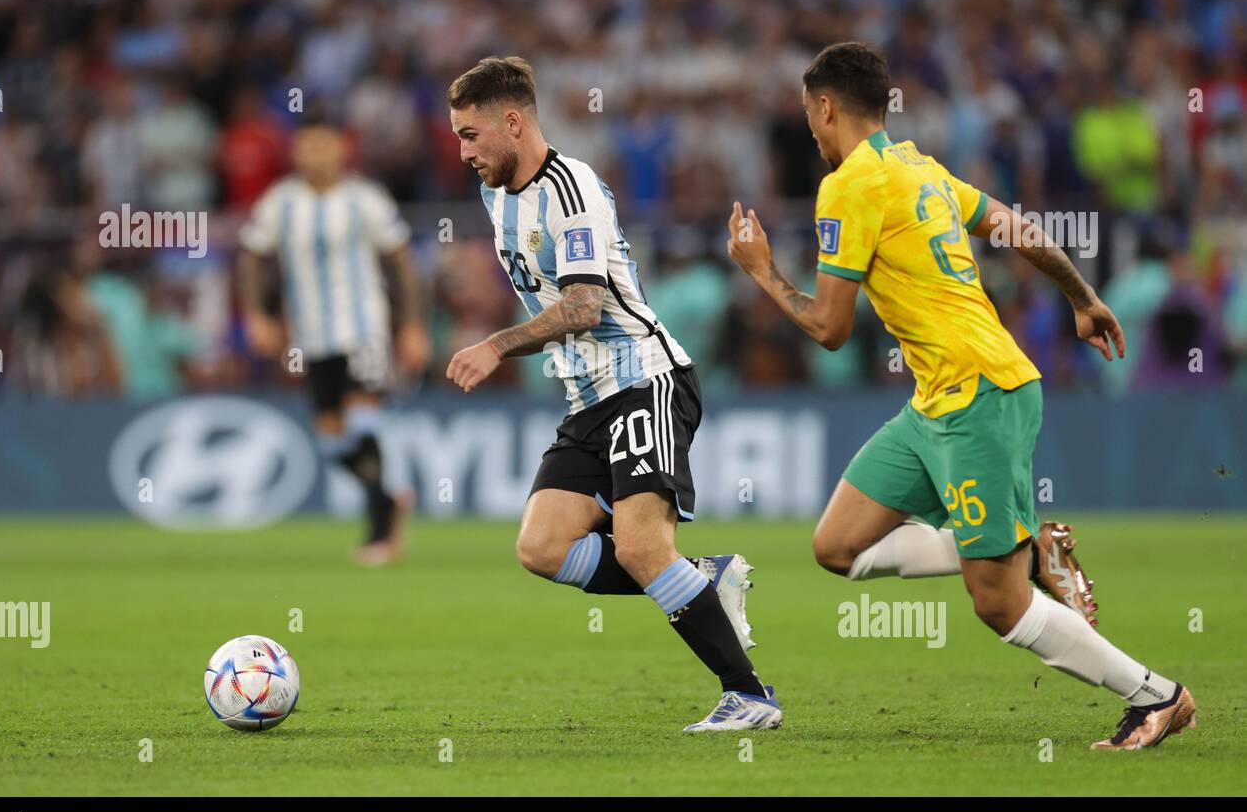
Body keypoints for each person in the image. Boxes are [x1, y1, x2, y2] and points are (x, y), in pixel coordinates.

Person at [726, 42, 1194, 750]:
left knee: (997, 604)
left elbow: (827, 328)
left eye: (811, 117)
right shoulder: (923, 168)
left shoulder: (849, 184)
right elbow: (1024, 232)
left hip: (980, 394)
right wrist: (1084, 297)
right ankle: (1027, 546)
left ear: (825, 108)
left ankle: (1157, 696)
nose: (813, 134)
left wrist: (761, 272)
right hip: (937, 400)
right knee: (838, 546)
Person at [446, 56, 779, 732]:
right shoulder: (496, 192)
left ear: (514, 123)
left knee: (639, 548)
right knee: (542, 548)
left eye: (471, 135)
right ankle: (706, 580)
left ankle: (749, 696)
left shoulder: (572, 192)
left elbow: (584, 306)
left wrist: (495, 344)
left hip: (642, 381)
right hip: (587, 399)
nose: (462, 152)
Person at [240, 116, 429, 565]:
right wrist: (255, 315)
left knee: (363, 420)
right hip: (314, 337)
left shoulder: (365, 199)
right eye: (307, 147)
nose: (315, 155)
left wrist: (412, 325)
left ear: (341, 149)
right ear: (296, 152)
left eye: (324, 146)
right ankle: (390, 498)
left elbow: (401, 261)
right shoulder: (280, 203)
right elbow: (251, 257)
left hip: (364, 330)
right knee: (331, 442)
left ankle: (380, 531)